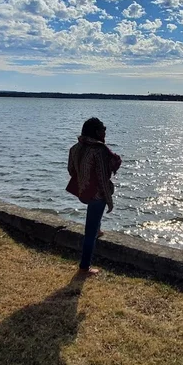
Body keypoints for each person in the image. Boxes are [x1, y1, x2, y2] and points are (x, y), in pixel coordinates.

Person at [66, 117, 122, 275]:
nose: (105, 131)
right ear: (96, 131)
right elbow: (104, 177)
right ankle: (84, 267)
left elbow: (71, 170)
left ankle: (98, 229)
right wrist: (109, 201)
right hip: (97, 195)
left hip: (84, 191)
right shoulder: (100, 150)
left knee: (93, 219)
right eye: (103, 128)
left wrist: (84, 178)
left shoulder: (75, 148)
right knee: (89, 233)